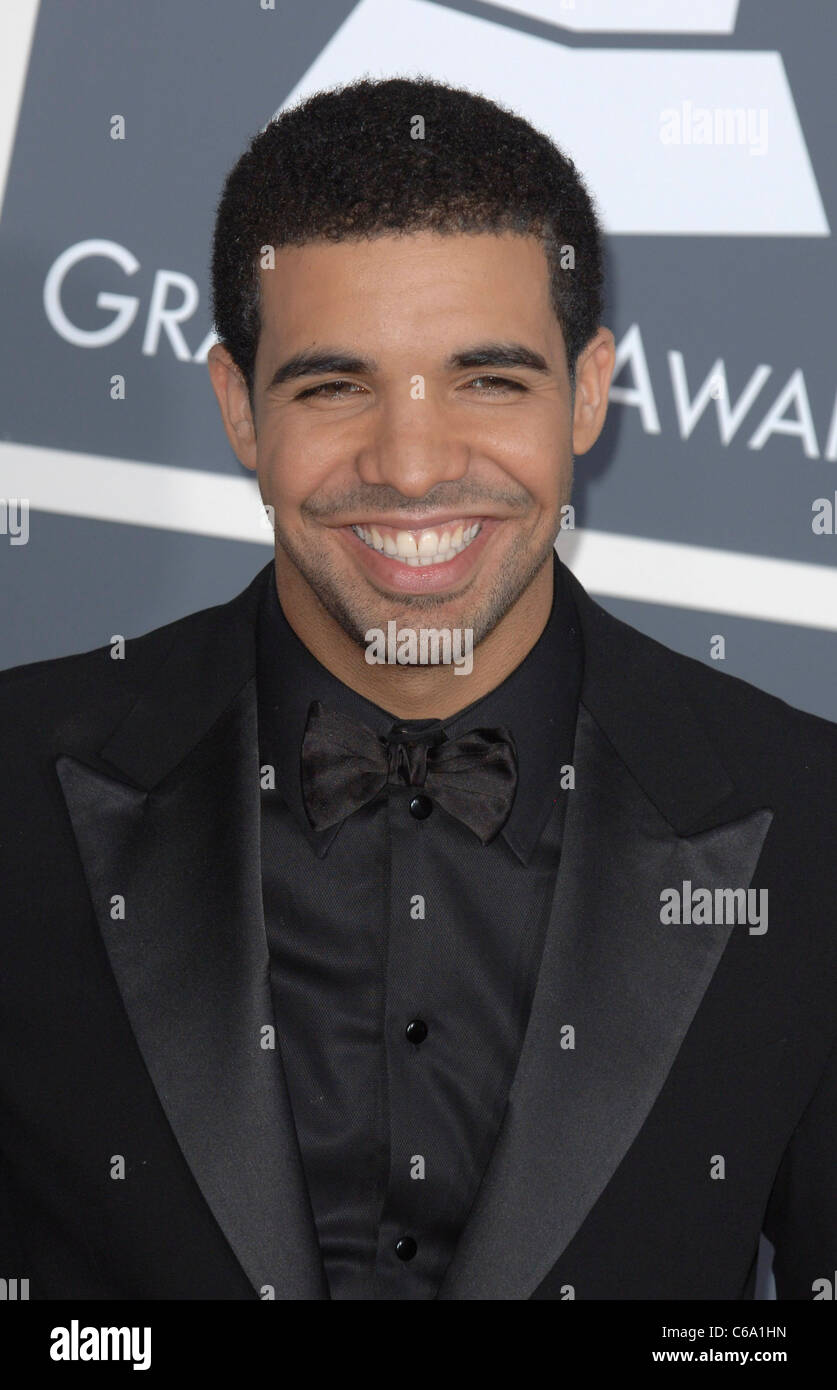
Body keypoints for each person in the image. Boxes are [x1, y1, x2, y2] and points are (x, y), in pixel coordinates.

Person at [1, 77, 835, 1301]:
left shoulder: (809, 822)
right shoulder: (18, 787)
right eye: (334, 385)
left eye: (488, 380)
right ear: (239, 408)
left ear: (589, 392)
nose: (412, 466)